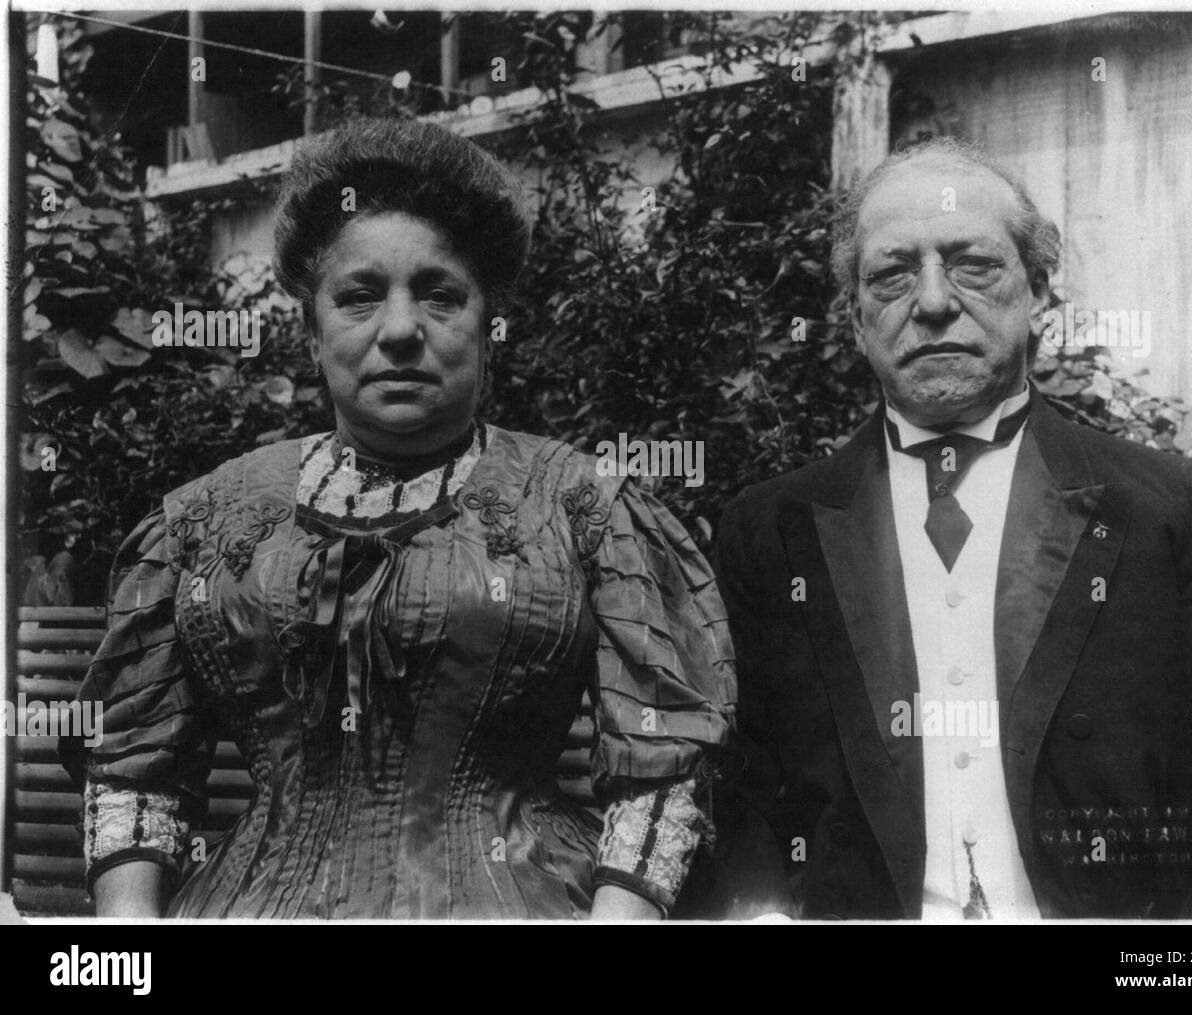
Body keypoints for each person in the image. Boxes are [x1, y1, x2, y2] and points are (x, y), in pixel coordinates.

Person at [60, 118, 735, 920]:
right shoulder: (205, 520)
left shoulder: (587, 506)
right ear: (312, 333)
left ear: (489, 327)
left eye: (440, 294)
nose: (402, 329)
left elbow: (662, 769)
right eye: (360, 296)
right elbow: (134, 767)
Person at [704, 137, 1192, 920]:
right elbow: (739, 796)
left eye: (972, 264)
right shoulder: (766, 536)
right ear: (854, 320)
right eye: (892, 273)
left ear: (1039, 293)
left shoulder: (1175, 512)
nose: (935, 301)